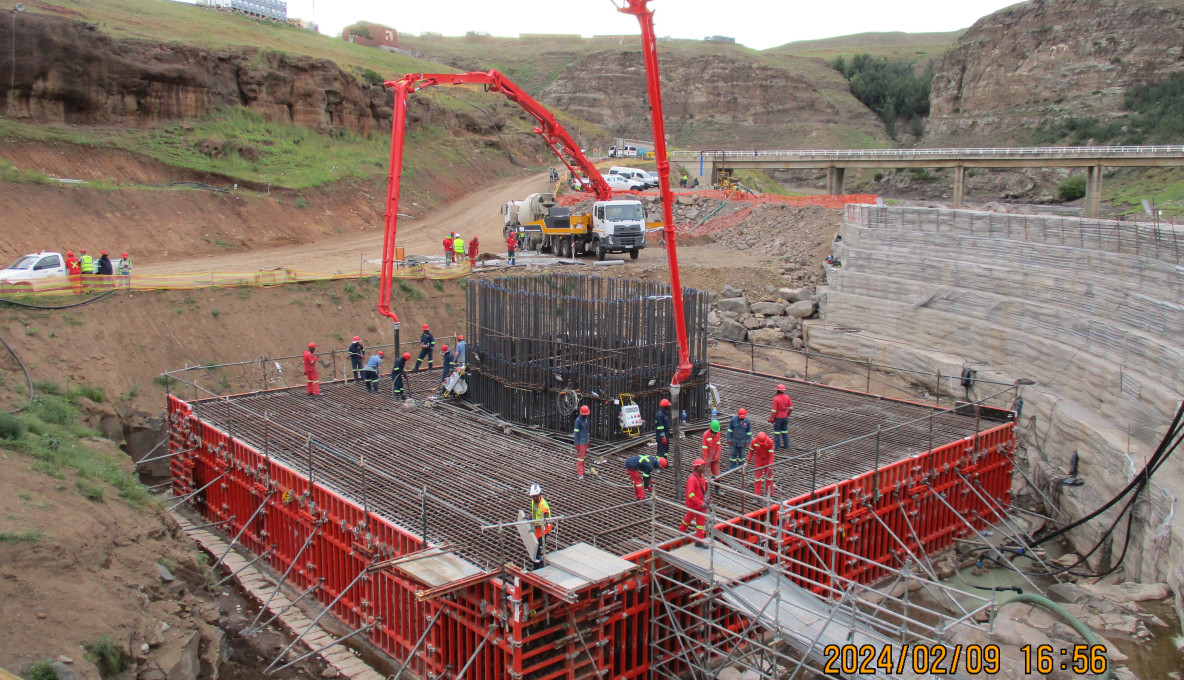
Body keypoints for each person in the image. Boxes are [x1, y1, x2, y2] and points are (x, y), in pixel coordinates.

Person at [678, 459, 708, 544]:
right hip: (693, 505)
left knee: (700, 523)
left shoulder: (701, 477)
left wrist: (706, 498)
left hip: (701, 504)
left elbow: (703, 490)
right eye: (702, 466)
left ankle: (699, 540)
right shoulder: (692, 479)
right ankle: (682, 530)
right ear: (697, 467)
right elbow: (690, 494)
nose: (704, 467)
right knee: (688, 518)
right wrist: (700, 503)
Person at [528, 483, 553, 570]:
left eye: (535, 496)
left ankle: (537, 567)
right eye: (533, 496)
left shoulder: (544, 506)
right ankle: (537, 560)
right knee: (537, 546)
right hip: (537, 528)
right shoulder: (533, 501)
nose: (534, 498)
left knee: (538, 548)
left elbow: (545, 522)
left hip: (544, 530)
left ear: (539, 494)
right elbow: (535, 512)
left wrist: (535, 526)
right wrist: (529, 517)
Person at [746, 431, 776, 497]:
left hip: (767, 461)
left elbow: (771, 455)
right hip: (758, 460)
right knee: (757, 478)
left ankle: (770, 493)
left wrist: (770, 465)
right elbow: (751, 452)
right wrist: (747, 461)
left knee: (769, 477)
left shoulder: (770, 442)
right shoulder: (754, 442)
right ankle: (757, 495)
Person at [769, 384, 794, 451]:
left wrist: (771, 418)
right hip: (785, 417)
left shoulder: (776, 399)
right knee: (784, 431)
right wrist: (787, 414)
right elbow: (791, 408)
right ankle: (787, 445)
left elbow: (774, 410)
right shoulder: (787, 397)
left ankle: (777, 447)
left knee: (777, 432)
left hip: (778, 418)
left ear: (777, 390)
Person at [573, 405, 590, 478]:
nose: (586, 416)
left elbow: (586, 431)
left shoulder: (586, 419)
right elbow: (576, 433)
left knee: (583, 457)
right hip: (580, 442)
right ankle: (580, 473)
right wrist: (576, 443)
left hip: (585, 441)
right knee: (580, 458)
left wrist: (588, 439)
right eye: (585, 415)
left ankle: (583, 470)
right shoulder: (578, 421)